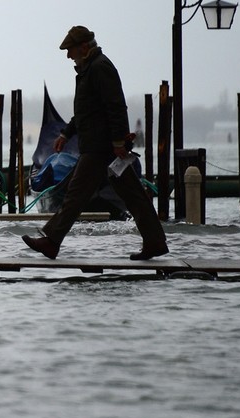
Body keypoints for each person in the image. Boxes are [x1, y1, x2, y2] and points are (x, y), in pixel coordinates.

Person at [22, 25, 169, 260]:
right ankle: (155, 241)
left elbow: (116, 107)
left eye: (70, 50)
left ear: (83, 47)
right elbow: (85, 113)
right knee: (131, 195)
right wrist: (65, 134)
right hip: (98, 147)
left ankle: (51, 242)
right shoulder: (88, 69)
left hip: (102, 149)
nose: (68, 55)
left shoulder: (100, 68)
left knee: (76, 195)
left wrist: (119, 142)